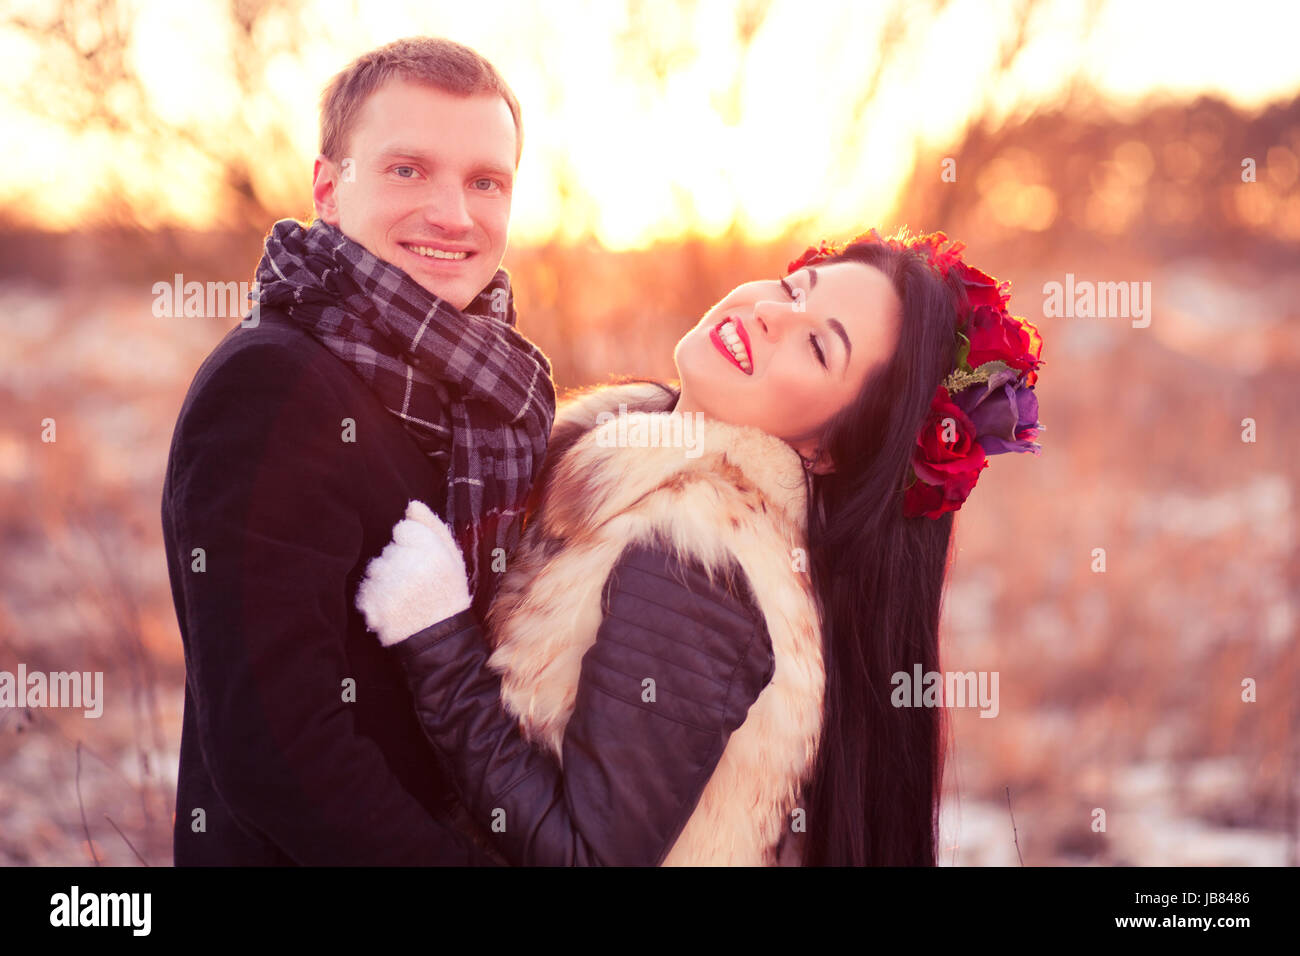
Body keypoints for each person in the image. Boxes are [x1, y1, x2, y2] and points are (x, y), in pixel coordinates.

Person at [357, 228, 1045, 865]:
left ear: (830, 449)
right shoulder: (622, 450)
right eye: (795, 288)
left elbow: (591, 856)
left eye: (817, 346)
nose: (774, 314)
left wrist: (436, 638)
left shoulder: (700, 557)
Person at [160, 36, 558, 865]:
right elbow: (278, 753)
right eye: (407, 170)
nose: (454, 214)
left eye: (486, 181)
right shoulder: (272, 384)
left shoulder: (487, 385)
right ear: (328, 190)